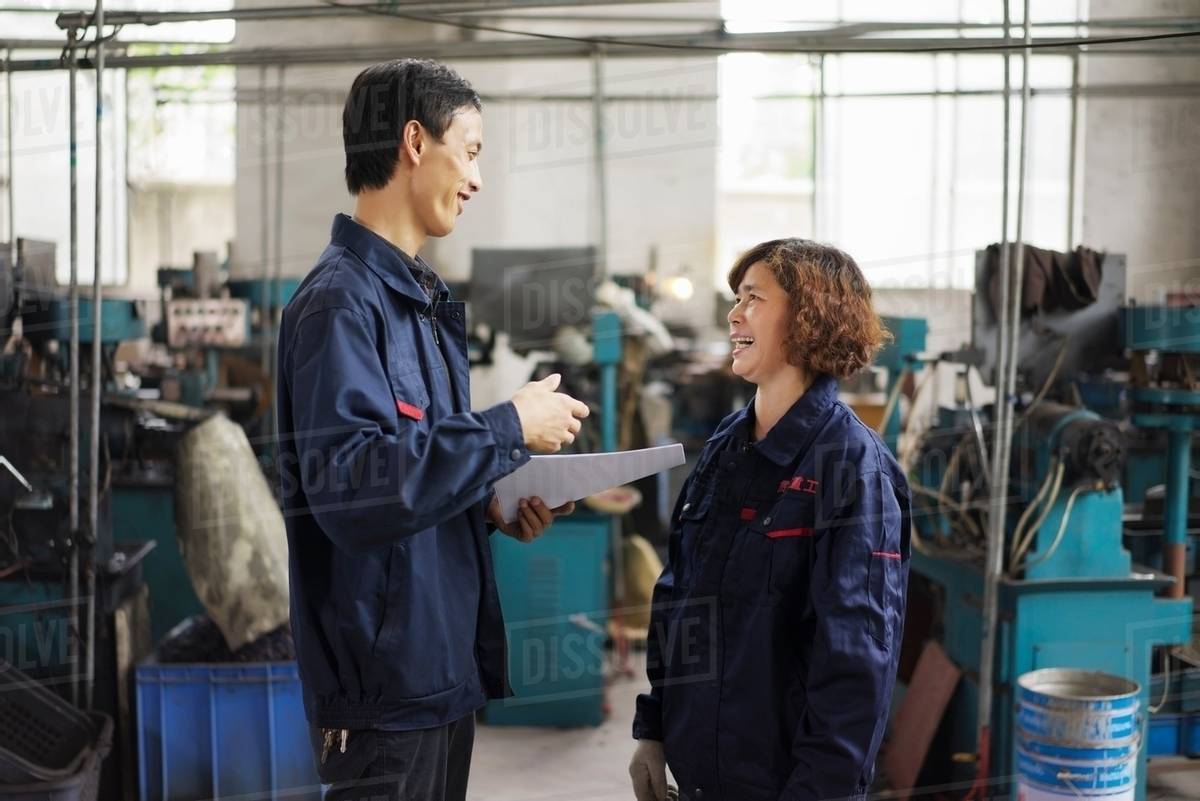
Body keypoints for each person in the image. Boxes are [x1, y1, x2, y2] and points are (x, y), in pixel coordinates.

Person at [276, 59, 589, 801]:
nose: (476, 179)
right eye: (471, 152)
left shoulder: (417, 302)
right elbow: (354, 489)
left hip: (438, 671)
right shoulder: (340, 307)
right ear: (414, 142)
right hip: (385, 694)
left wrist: (490, 501)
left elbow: (410, 470)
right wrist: (509, 424)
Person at [628, 239, 911, 801]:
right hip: (699, 775)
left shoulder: (852, 468)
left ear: (809, 317)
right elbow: (680, 599)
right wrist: (654, 729)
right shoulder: (725, 447)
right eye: (736, 298)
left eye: (753, 298)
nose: (734, 314)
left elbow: (856, 666)